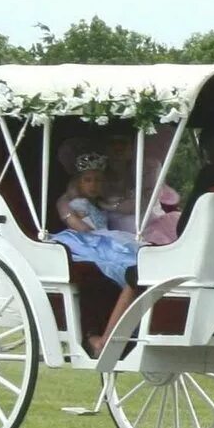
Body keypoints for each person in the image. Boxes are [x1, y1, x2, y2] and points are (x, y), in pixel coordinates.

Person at [51, 152, 140, 356]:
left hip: (102, 240)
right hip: (84, 241)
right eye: (87, 180)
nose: (93, 185)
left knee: (128, 258)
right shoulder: (71, 203)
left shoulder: (97, 204)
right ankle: (104, 335)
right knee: (116, 263)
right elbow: (75, 224)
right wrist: (79, 222)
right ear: (78, 182)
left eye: (97, 180)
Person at [102, 132, 181, 245]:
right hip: (120, 228)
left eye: (123, 143)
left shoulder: (147, 168)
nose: (118, 148)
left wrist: (115, 206)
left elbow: (146, 202)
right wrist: (110, 206)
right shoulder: (100, 174)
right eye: (113, 143)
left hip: (149, 220)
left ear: (131, 146)